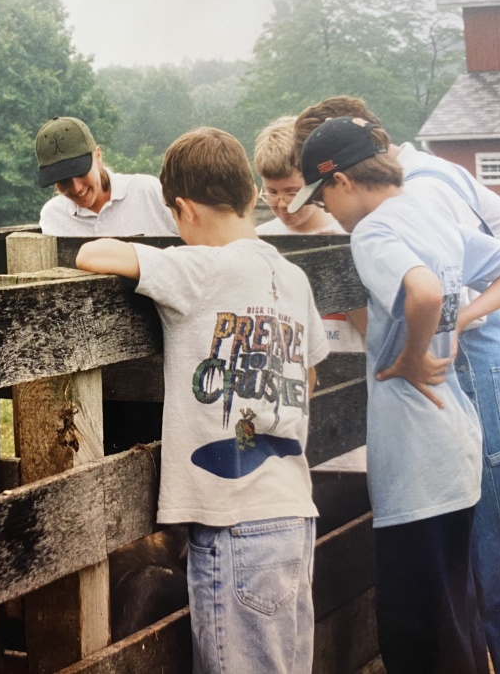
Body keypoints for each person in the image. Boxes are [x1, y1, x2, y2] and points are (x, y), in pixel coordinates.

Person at [292, 96, 500, 674]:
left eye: (322, 196)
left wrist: (408, 357)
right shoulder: (430, 216)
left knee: (418, 631)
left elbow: (424, 291)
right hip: (455, 442)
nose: (326, 212)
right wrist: (468, 318)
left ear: (344, 180)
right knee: (458, 609)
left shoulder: (373, 232)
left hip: (415, 460)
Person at [76, 126, 329, 674]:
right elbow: (309, 376)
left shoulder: (198, 269)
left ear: (184, 210)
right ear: (253, 195)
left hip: (231, 521)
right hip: (293, 513)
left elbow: (94, 254)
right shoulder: (292, 276)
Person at [254, 116, 365, 357]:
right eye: (271, 192)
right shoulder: (259, 239)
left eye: (292, 192)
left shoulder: (350, 233)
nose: (282, 203)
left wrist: (339, 267)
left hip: (347, 368)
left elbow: (376, 330)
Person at [35, 116, 178, 236]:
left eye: (80, 172)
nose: (76, 188)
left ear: (98, 155)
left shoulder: (149, 193)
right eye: (63, 180)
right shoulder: (54, 216)